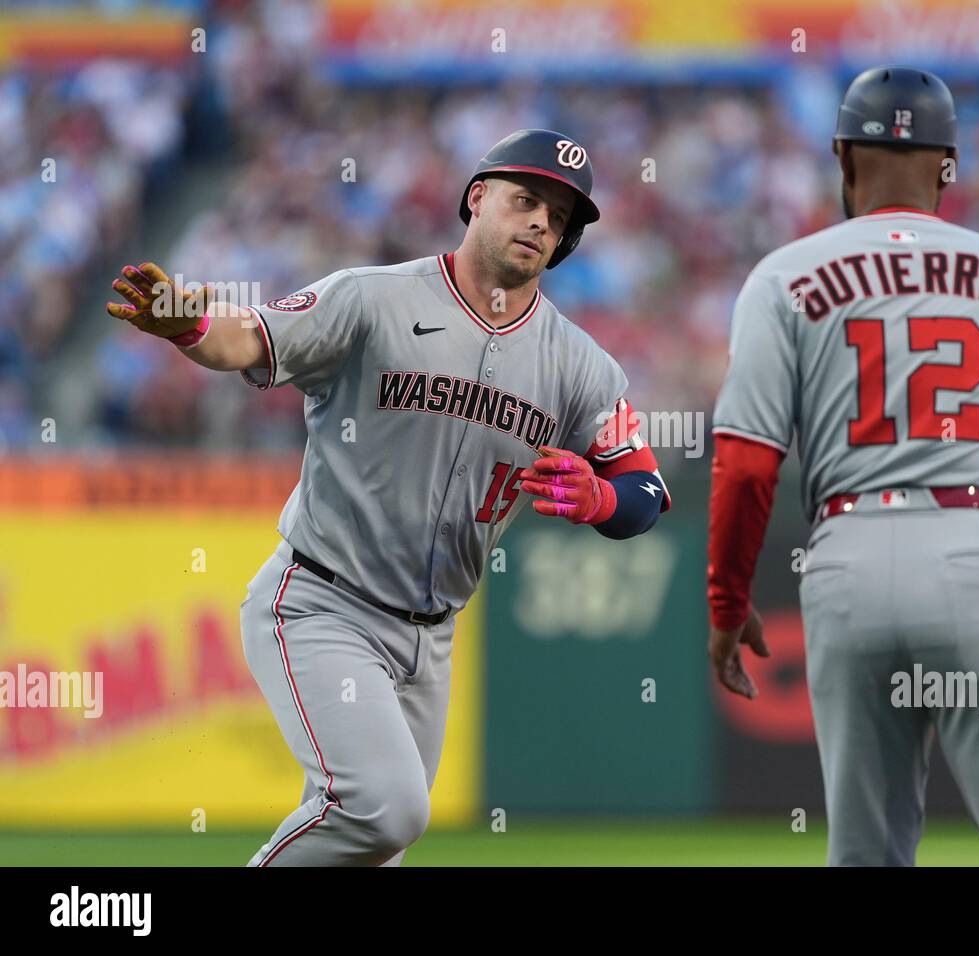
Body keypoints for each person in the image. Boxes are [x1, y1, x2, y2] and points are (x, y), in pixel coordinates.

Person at [107, 129, 670, 866]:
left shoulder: (578, 366)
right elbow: (250, 338)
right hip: (323, 601)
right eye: (525, 199)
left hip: (430, 637)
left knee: (374, 847)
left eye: (558, 217)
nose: (540, 221)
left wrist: (601, 499)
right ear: (477, 198)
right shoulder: (372, 298)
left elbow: (647, 490)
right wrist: (192, 325)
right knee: (385, 810)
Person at [706, 67, 979, 866]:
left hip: (844, 559)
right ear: (948, 164)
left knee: (868, 856)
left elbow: (745, 465)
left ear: (843, 156)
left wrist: (727, 600)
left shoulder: (782, 274)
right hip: (973, 542)